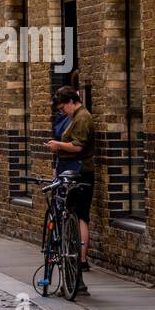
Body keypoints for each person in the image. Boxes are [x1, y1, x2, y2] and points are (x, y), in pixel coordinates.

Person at [47, 85, 96, 287]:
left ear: (70, 102)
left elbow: (78, 146)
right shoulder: (75, 117)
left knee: (80, 213)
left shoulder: (82, 117)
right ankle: (77, 258)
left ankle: (81, 259)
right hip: (70, 170)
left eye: (62, 108)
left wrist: (57, 145)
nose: (61, 112)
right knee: (73, 212)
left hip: (80, 170)